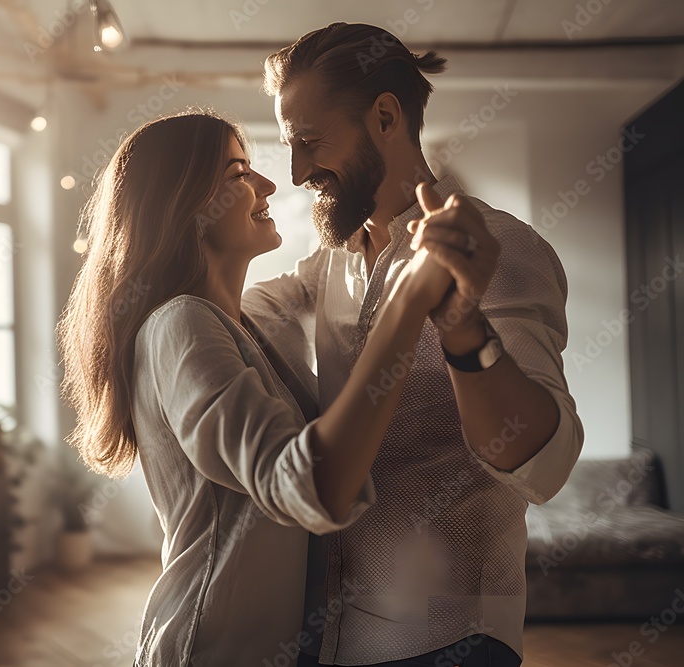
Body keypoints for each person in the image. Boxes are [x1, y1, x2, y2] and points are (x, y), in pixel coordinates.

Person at [57, 110, 465, 665]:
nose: (269, 184)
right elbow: (314, 486)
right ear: (183, 205)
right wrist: (410, 300)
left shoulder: (243, 322)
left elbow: (316, 275)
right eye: (239, 173)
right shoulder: (181, 324)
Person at [244, 22, 585, 666]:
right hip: (330, 638)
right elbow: (230, 313)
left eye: (310, 143)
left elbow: (547, 465)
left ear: (384, 116)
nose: (296, 173)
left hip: (451, 641)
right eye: (290, 147)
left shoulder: (501, 249)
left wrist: (462, 327)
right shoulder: (332, 263)